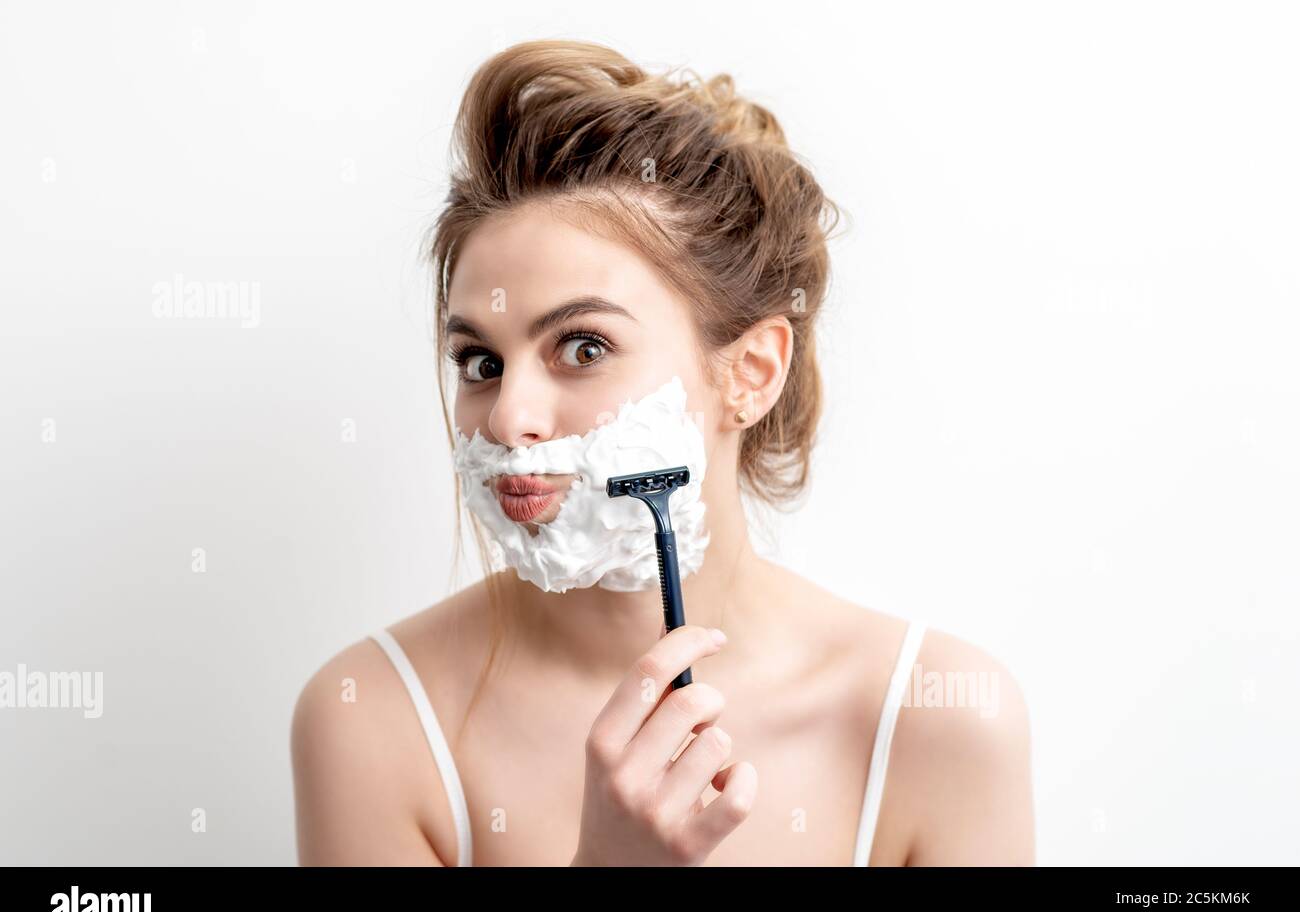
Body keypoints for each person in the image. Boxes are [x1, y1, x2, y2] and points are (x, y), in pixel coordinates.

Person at [291, 39, 1034, 866]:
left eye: (581, 348)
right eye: (481, 361)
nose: (508, 416)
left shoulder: (937, 719)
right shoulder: (372, 717)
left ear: (750, 374)